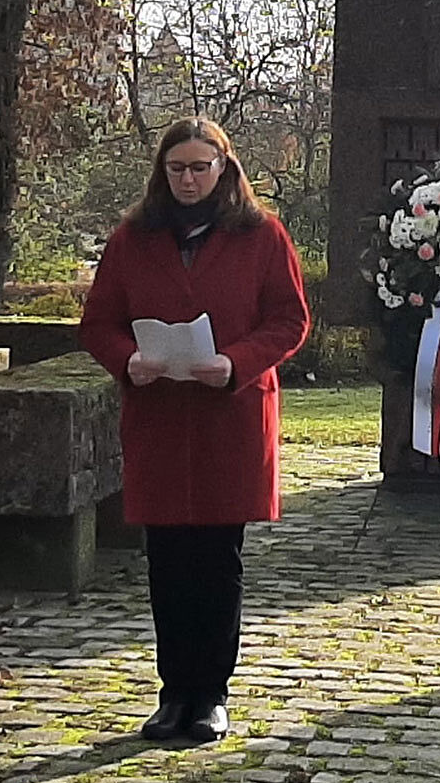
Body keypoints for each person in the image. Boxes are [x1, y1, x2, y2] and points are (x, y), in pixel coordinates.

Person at [79, 117, 310, 743]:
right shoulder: (133, 238)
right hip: (159, 414)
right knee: (167, 562)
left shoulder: (262, 236)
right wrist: (128, 359)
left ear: (224, 169)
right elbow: (98, 322)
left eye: (199, 167)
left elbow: (289, 321)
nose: (187, 179)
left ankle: (210, 694)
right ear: (162, 173)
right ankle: (172, 692)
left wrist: (234, 362)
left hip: (227, 415)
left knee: (216, 558)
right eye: (176, 168)